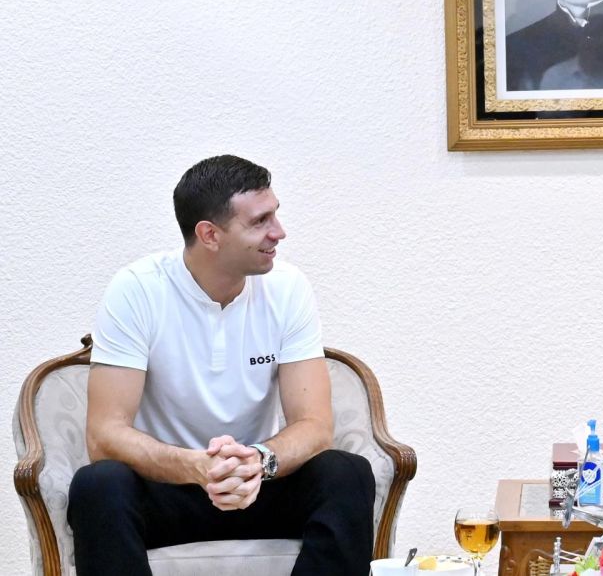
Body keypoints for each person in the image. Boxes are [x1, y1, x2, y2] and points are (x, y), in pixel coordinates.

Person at [67, 155, 375, 576]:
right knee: (98, 484)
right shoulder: (137, 289)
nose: (278, 233)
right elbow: (104, 435)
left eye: (275, 216)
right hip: (170, 487)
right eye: (260, 221)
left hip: (259, 484)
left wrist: (257, 461)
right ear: (209, 234)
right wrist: (198, 468)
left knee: (346, 473)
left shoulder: (288, 288)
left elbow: (316, 425)